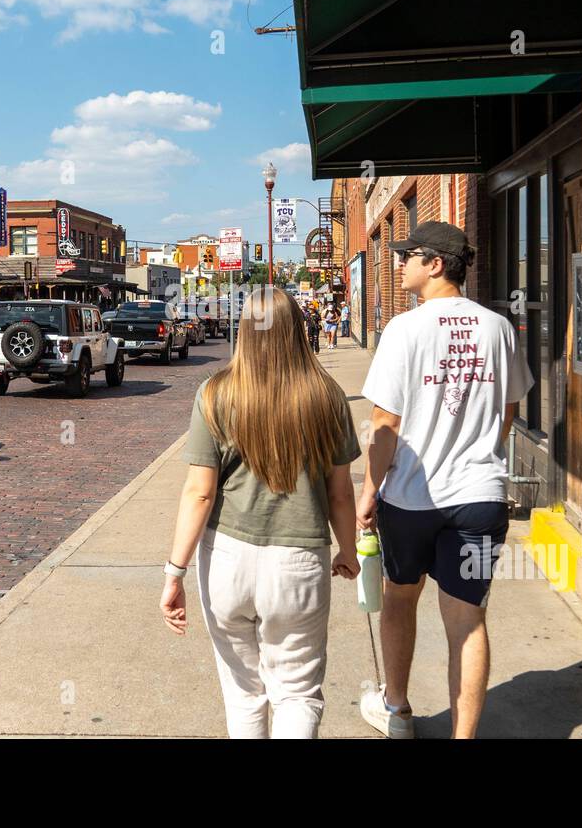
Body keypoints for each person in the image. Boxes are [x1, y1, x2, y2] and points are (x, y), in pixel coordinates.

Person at [355, 221, 532, 739]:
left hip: (411, 498)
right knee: (468, 620)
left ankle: (398, 710)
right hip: (478, 497)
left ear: (435, 264)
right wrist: (479, 451)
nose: (400, 263)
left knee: (398, 601)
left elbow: (384, 425)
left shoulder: (404, 330)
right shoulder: (497, 327)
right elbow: (509, 408)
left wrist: (370, 492)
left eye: (408, 255)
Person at [160, 287, 361, 738]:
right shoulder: (326, 396)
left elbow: (199, 493)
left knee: (243, 690)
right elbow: (340, 492)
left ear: (244, 331)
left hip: (228, 559)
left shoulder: (214, 394)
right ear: (297, 330)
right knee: (297, 691)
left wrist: (175, 571)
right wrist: (348, 549)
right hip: (300, 560)